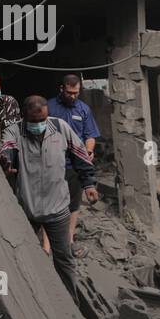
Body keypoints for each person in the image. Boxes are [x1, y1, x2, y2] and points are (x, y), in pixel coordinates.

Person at [0, 95, 98, 300]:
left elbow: (80, 155)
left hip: (58, 209)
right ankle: (30, 302)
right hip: (27, 210)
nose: (39, 125)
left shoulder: (60, 128)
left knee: (64, 260)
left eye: (43, 120)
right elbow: (6, 147)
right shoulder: (15, 130)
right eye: (34, 122)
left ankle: (70, 306)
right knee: (20, 257)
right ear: (24, 117)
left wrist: (88, 183)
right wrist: (6, 160)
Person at [47, 73, 100, 258]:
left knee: (73, 205)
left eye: (76, 93)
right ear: (61, 89)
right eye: (69, 93)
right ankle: (47, 246)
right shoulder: (49, 107)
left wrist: (88, 151)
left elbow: (90, 135)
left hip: (75, 166)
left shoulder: (83, 109)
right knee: (52, 203)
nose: (73, 96)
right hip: (53, 165)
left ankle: (68, 241)